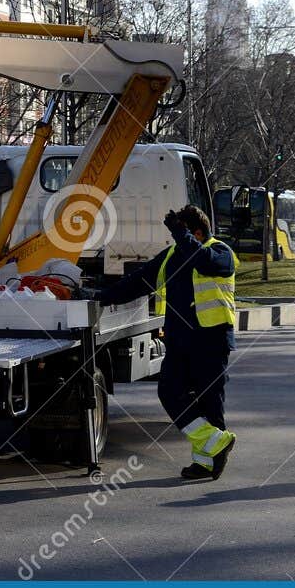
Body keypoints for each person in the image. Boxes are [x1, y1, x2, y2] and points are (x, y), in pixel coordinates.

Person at [99, 204, 238, 481]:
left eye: (182, 234)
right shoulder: (173, 255)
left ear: (196, 232)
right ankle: (215, 442)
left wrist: (181, 235)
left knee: (210, 402)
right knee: (170, 392)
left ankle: (206, 463)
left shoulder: (221, 251)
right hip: (180, 341)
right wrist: (102, 296)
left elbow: (206, 262)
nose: (177, 240)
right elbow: (138, 282)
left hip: (211, 340)